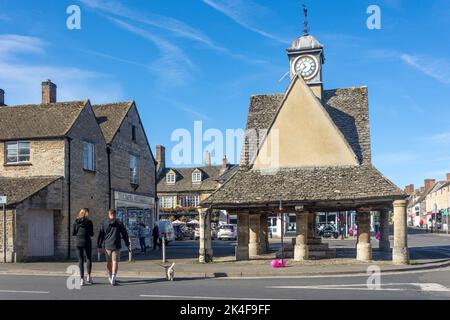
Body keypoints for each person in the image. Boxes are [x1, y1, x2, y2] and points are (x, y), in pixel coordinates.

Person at [97, 209, 130, 286]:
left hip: (107, 245)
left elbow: (101, 235)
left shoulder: (104, 223)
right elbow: (125, 234)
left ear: (109, 214)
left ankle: (110, 275)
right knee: (115, 262)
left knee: (109, 262)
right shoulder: (119, 223)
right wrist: (127, 244)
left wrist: (99, 245)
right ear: (115, 214)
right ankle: (113, 278)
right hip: (116, 245)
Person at [72, 208, 94, 286]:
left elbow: (73, 232)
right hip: (87, 241)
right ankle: (88, 276)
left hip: (78, 242)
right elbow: (91, 233)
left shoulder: (76, 221)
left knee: (80, 260)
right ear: (87, 213)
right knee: (88, 258)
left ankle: (81, 279)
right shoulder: (89, 222)